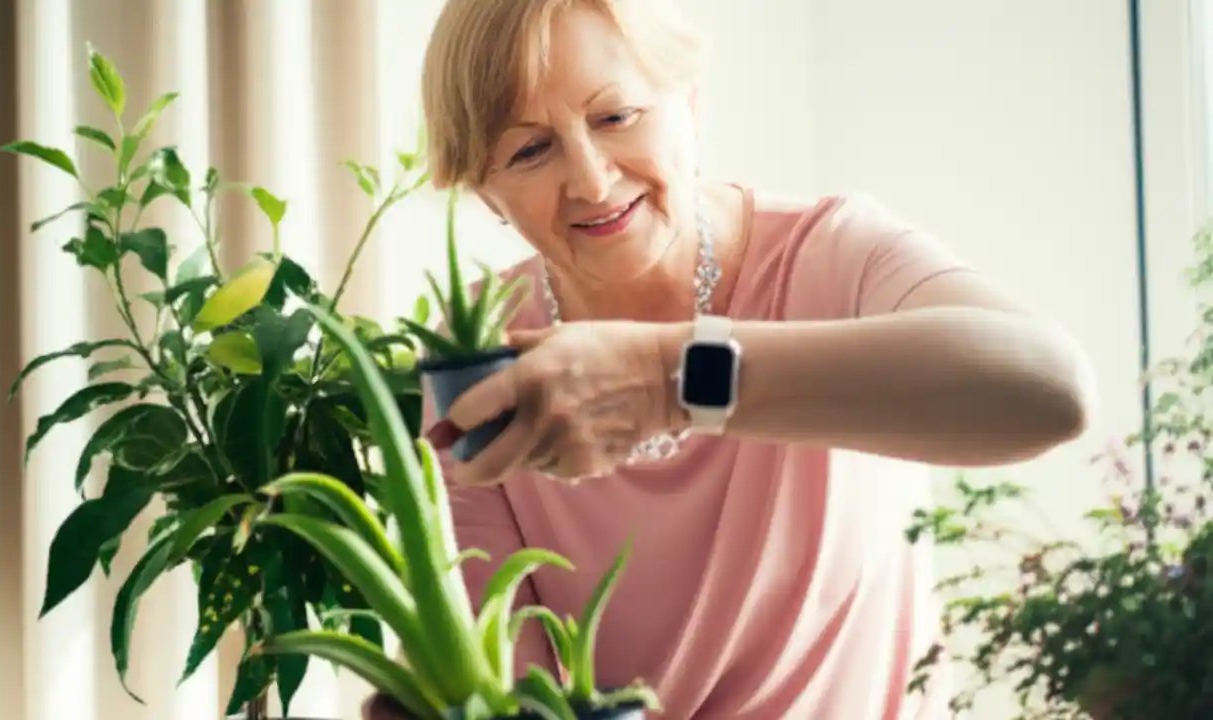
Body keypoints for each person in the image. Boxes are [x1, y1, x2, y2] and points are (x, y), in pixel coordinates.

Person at [367, 0, 1096, 717]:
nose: (590, 180)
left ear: (689, 100)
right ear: (486, 192)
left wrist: (668, 378)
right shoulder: (479, 359)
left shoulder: (835, 255)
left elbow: (1050, 389)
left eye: (615, 116)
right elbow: (508, 682)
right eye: (529, 150)